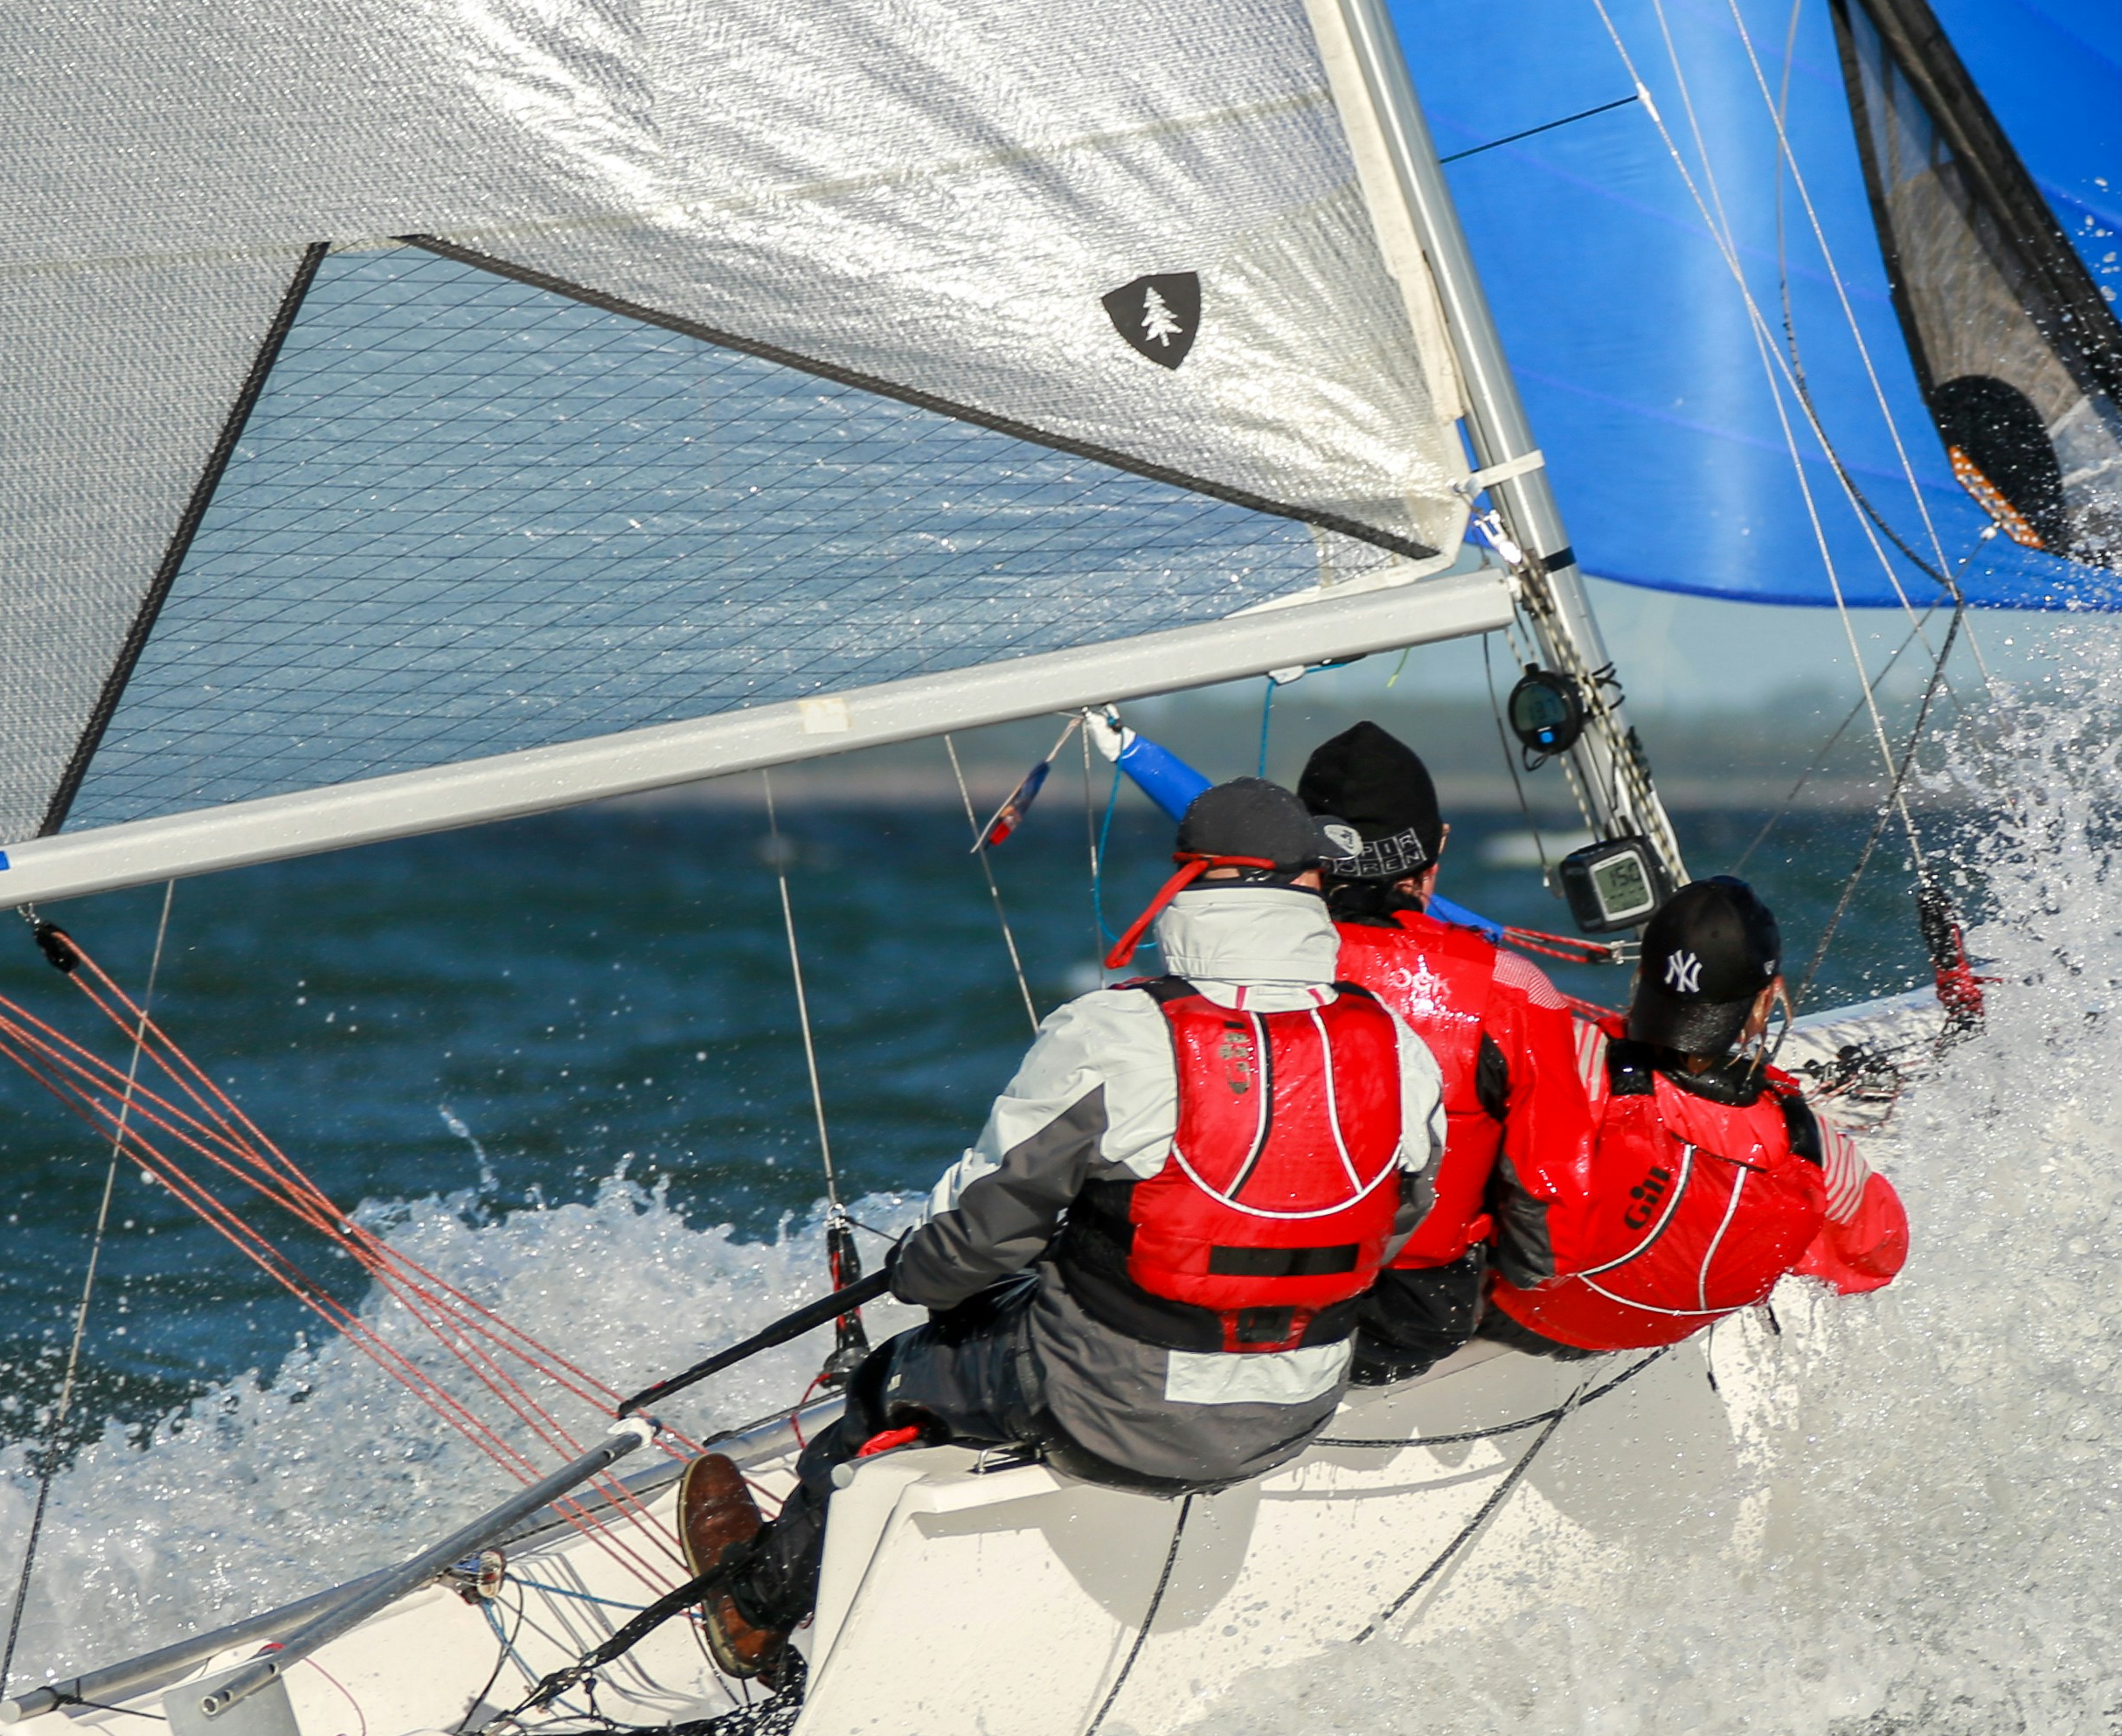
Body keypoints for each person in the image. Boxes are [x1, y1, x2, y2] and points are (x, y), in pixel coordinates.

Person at [681, 780, 1446, 1671]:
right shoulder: (1396, 1045)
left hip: (1112, 1411)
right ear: (1302, 891)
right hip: (1300, 1403)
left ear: (1194, 886)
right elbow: (1395, 1219)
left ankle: (756, 1604)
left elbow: (967, 1248)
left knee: (898, 1373)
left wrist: (924, 1277)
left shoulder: (1114, 1032)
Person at [1092, 713, 1584, 1384]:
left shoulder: (1222, 960)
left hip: (1208, 1306)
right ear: (1435, 848)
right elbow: (1545, 1189)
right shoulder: (1514, 988)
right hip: (1405, 1320)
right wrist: (1532, 1290)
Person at [1485, 874, 1908, 1357]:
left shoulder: (1574, 1055)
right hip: (1652, 1332)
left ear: (1642, 975)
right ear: (1769, 998)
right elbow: (1880, 1254)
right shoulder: (1814, 1146)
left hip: (1519, 1310)